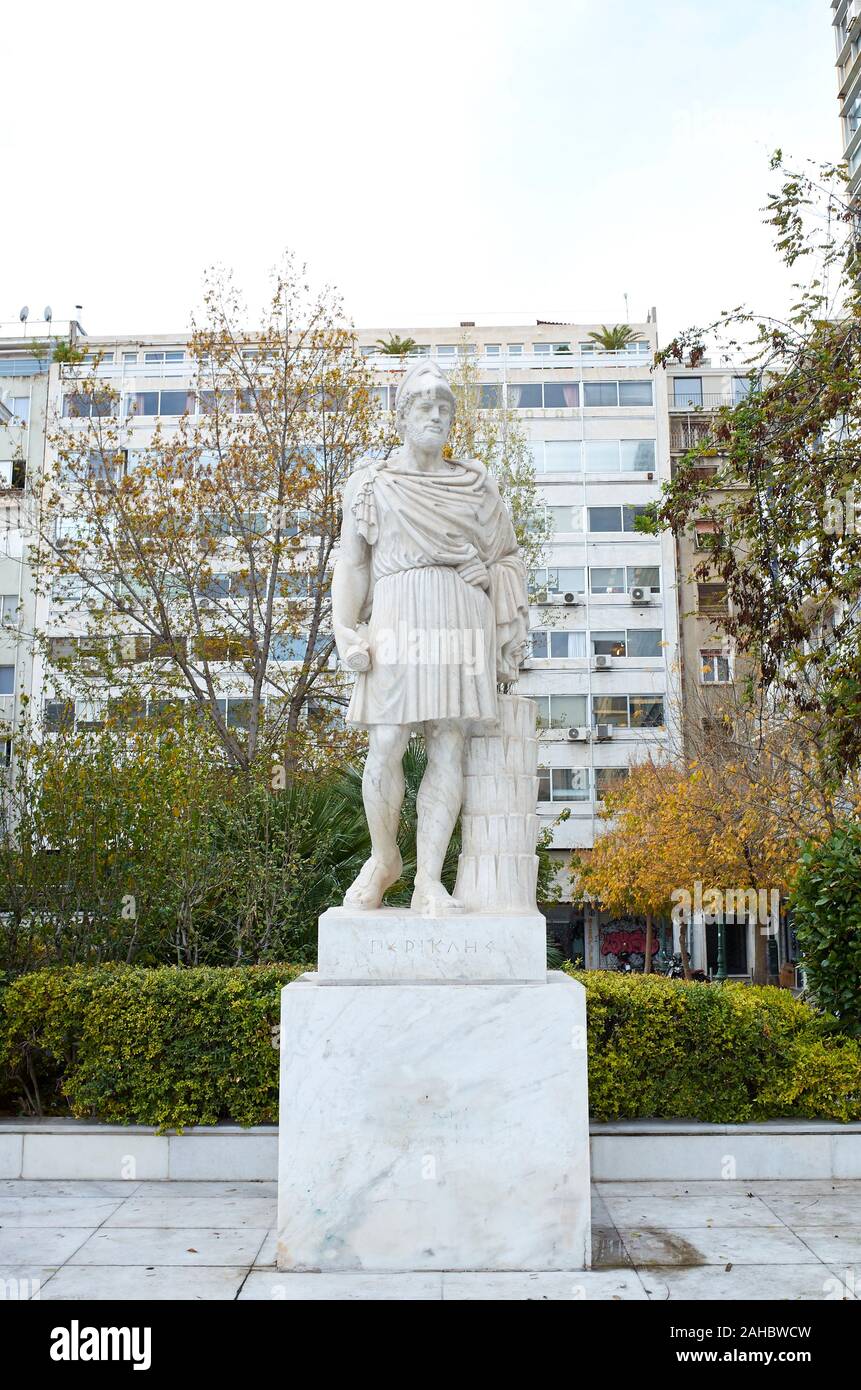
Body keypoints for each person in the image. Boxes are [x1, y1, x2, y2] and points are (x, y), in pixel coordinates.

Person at [332, 358, 529, 913]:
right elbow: (353, 565)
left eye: (445, 407)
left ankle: (428, 882)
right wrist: (345, 629)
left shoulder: (475, 486)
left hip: (459, 617)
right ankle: (384, 857)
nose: (437, 415)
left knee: (447, 742)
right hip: (397, 615)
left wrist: (489, 578)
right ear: (402, 414)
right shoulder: (371, 485)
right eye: (425, 405)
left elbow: (507, 558)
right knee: (387, 741)